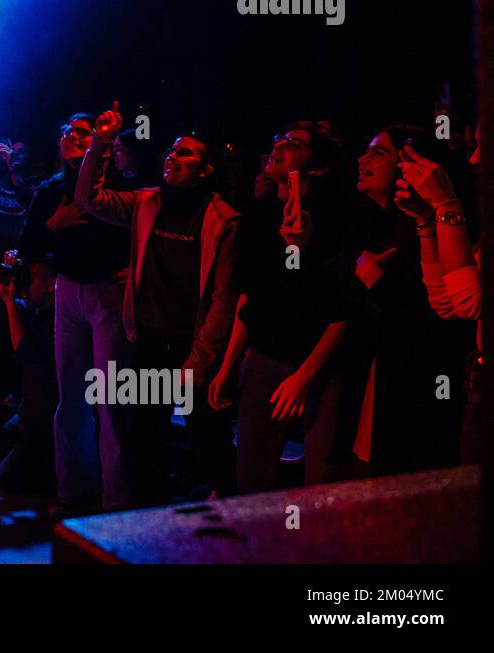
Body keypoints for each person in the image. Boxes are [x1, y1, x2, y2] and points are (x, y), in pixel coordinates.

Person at [77, 106, 241, 503]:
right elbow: (89, 198)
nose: (172, 156)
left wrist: (198, 362)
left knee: (210, 442)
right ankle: (151, 526)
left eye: (185, 153)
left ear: (205, 170)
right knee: (144, 443)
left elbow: (223, 300)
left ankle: (231, 523)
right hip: (148, 344)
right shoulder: (146, 202)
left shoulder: (223, 220)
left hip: (193, 347)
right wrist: (101, 142)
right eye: (171, 150)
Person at [209, 122, 354, 493]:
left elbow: (340, 312)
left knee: (320, 486)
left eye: (294, 144)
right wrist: (228, 366)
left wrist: (303, 376)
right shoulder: (259, 215)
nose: (280, 146)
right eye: (280, 140)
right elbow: (250, 298)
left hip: (321, 364)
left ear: (317, 168)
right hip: (266, 355)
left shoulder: (335, 219)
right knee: (250, 474)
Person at [21, 112, 135, 513]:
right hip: (68, 291)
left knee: (110, 397)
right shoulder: (51, 189)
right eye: (68, 131)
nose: (72, 136)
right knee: (71, 394)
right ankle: (74, 491)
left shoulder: (116, 182)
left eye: (83, 132)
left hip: (108, 290)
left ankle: (116, 500)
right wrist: (54, 224)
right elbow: (27, 245)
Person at [344, 125, 472, 476]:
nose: (362, 160)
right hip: (383, 376)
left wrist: (375, 279)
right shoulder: (373, 224)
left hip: (421, 387)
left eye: (378, 153)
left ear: (408, 165)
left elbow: (438, 319)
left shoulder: (427, 227)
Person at [396, 127, 482, 463]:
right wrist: (427, 221)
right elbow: (446, 304)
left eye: (483, 146)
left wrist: (446, 204)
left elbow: (468, 303)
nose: (473, 159)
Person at [0, 254, 59, 495]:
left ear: (51, 283)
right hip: (26, 410)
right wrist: (4, 273)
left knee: (6, 478)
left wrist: (10, 303)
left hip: (47, 417)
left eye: (31, 278)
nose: (25, 285)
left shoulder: (58, 317)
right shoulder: (35, 305)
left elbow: (24, 353)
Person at [0, 139, 37, 257]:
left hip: (18, 251)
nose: (15, 154)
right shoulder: (1, 182)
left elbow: (24, 198)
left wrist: (11, 166)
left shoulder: (33, 182)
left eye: (21, 151)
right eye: (13, 150)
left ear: (29, 157)